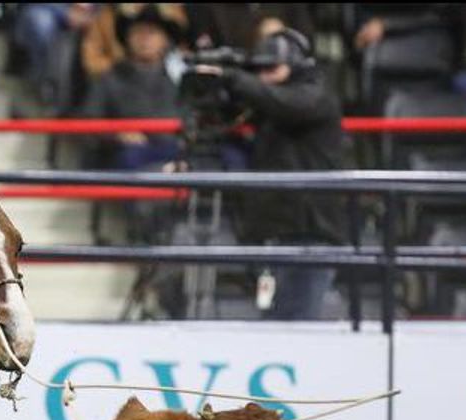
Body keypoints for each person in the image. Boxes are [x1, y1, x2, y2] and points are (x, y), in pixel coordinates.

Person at [195, 28, 344, 320]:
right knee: (274, 326)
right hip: (274, 230)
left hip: (310, 232)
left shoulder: (316, 93)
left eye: (271, 68)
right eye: (258, 70)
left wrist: (232, 77)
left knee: (297, 324)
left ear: (298, 64)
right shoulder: (265, 103)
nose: (263, 76)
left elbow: (285, 103)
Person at [80, 5, 186, 170]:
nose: (144, 39)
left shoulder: (179, 76)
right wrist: (118, 135)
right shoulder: (110, 77)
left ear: (165, 40)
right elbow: (89, 121)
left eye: (152, 33)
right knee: (130, 159)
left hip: (173, 148)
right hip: (129, 154)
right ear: (127, 39)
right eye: (138, 32)